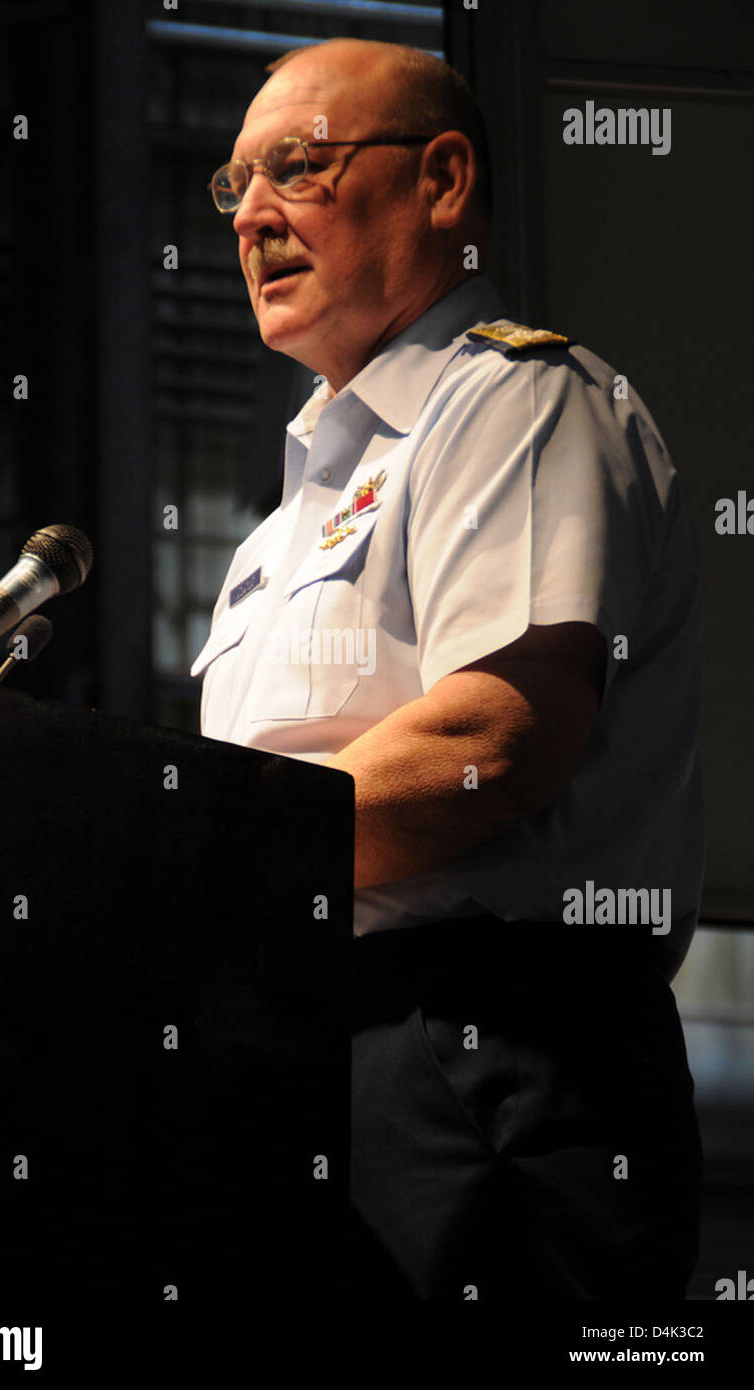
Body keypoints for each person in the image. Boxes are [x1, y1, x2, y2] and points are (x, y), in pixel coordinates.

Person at [190, 37, 704, 1301]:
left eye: (296, 169)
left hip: (491, 1045)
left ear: (442, 179)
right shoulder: (279, 525)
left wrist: (193, 863)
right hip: (314, 1042)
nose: (252, 216)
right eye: (234, 185)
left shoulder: (518, 402)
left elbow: (490, 742)